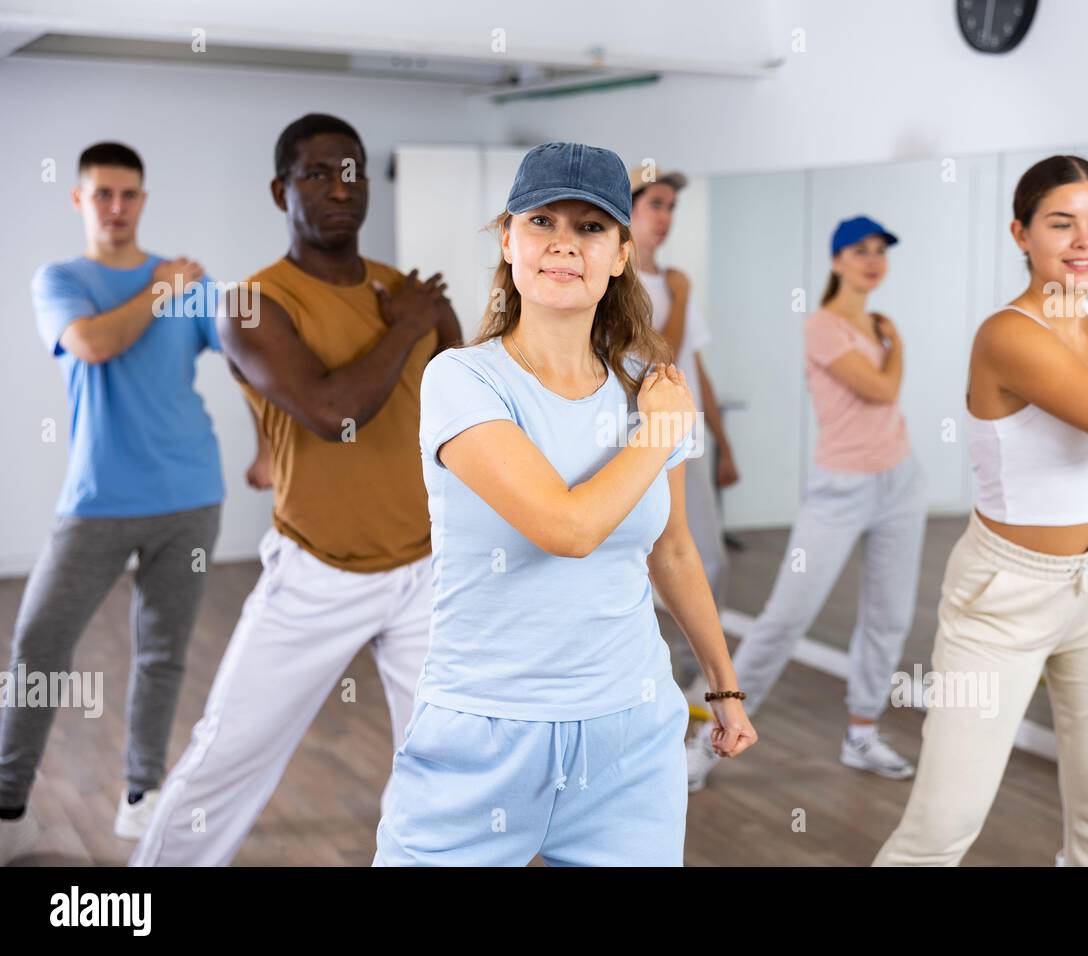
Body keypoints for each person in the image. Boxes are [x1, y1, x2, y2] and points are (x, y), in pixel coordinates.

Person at [374, 141, 755, 866]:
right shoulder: (463, 380)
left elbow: (672, 549)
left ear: (619, 254)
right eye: (543, 220)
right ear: (509, 238)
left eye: (590, 228)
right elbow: (566, 527)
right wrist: (663, 429)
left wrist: (724, 688)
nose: (563, 244)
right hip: (485, 734)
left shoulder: (647, 387)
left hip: (630, 735)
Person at [130, 114, 460, 866]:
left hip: (424, 573)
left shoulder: (409, 294)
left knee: (450, 763)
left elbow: (468, 415)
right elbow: (332, 410)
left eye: (352, 171)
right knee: (227, 759)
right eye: (317, 174)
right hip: (318, 573)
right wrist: (407, 327)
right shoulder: (252, 304)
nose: (339, 188)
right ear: (281, 190)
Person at [874, 155, 1088, 867]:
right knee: (942, 827)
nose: (1085, 240)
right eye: (1060, 223)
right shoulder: (1009, 335)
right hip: (1007, 594)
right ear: (1021, 234)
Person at [0, 142, 225, 865]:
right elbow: (92, 344)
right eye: (103, 194)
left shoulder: (190, 281)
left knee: (162, 651)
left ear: (144, 199)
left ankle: (141, 796)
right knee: (39, 644)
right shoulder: (61, 279)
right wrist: (160, 288)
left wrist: (268, 446)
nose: (117, 207)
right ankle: (9, 810)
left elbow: (254, 355)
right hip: (96, 500)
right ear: (79, 200)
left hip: (191, 494)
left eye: (129, 194)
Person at [687, 215, 925, 791]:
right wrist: (897, 344)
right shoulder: (823, 325)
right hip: (839, 488)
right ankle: (706, 739)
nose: (872, 260)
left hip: (900, 482)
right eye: (859, 251)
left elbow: (886, 398)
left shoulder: (874, 322)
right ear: (837, 260)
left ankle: (862, 732)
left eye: (880, 252)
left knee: (889, 616)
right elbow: (882, 388)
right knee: (785, 617)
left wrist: (887, 338)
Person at [627, 165, 739, 704]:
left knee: (706, 557)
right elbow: (656, 358)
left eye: (672, 206)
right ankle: (655, 673)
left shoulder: (675, 281)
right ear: (628, 209)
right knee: (647, 561)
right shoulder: (616, 280)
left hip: (686, 441)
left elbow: (693, 368)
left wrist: (723, 442)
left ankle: (699, 674)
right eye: (656, 204)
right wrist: (679, 294)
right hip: (639, 445)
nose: (666, 217)